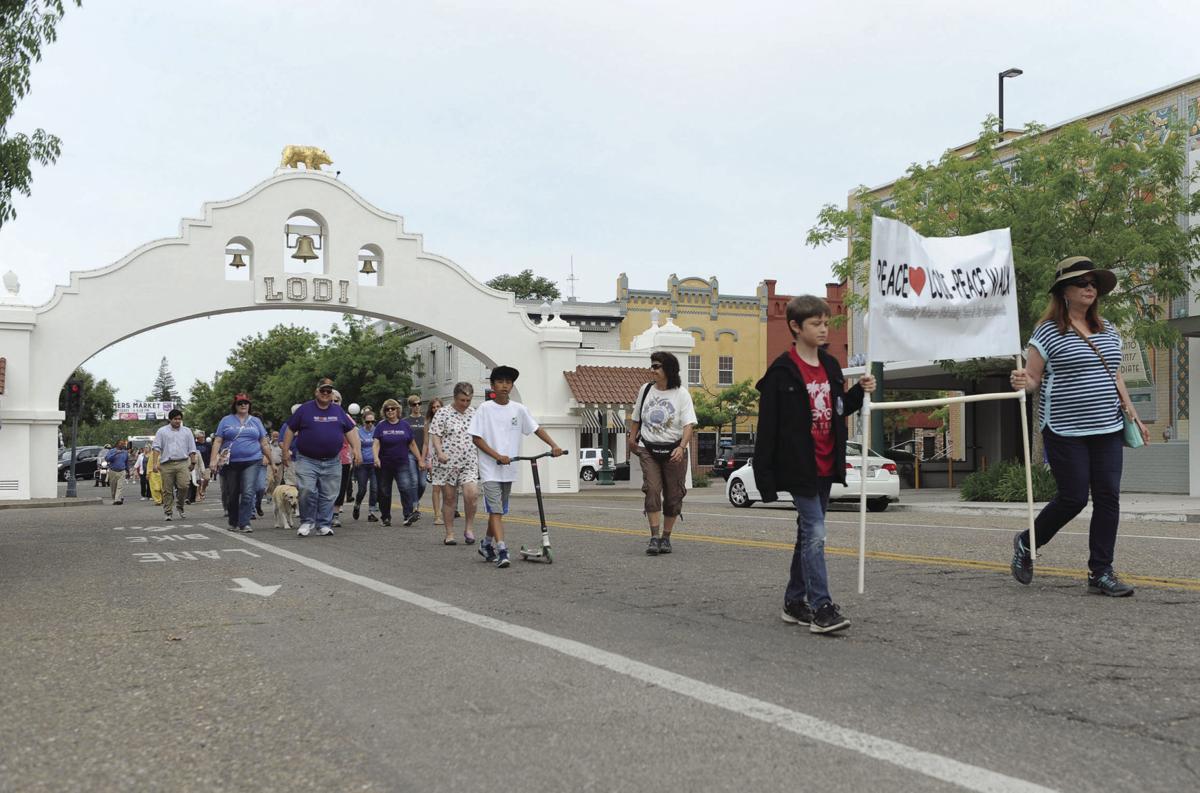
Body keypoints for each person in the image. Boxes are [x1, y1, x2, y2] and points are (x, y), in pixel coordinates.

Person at [1009, 257, 1148, 597]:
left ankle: (1101, 572)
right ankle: (1027, 542)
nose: (1089, 288)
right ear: (1064, 291)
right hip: (1064, 429)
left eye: (1093, 283)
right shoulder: (1047, 332)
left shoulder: (1108, 329)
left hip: (1107, 427)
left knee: (1108, 497)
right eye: (1081, 282)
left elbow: (1115, 375)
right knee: (1072, 498)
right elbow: (1033, 379)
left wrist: (1134, 415)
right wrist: (1022, 380)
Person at [753, 295, 875, 635]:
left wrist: (860, 392)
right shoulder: (781, 373)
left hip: (826, 463)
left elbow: (838, 409)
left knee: (808, 533)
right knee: (816, 534)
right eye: (816, 324)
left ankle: (794, 601)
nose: (824, 329)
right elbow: (768, 428)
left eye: (826, 323)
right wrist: (764, 476)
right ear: (795, 326)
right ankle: (822, 607)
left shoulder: (831, 366)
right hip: (799, 467)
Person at [470, 366, 564, 568]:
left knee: (498, 511)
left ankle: (486, 544)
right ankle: (502, 550)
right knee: (496, 510)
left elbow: (536, 428)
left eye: (508, 382)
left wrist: (554, 445)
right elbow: (476, 438)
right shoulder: (485, 409)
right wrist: (497, 456)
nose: (504, 386)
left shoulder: (519, 409)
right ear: (492, 385)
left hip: (509, 469)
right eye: (500, 382)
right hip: (490, 468)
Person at [628, 352, 697, 557]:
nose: (653, 370)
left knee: (673, 496)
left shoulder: (681, 394)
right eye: (652, 366)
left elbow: (688, 425)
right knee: (652, 489)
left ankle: (666, 537)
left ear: (668, 369)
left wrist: (681, 447)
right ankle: (654, 537)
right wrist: (632, 439)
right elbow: (636, 417)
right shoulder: (646, 389)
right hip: (648, 448)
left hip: (673, 450)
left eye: (657, 366)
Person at [283, 378, 361, 537]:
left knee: (329, 494)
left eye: (329, 391)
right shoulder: (304, 409)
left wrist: (356, 450)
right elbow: (290, 429)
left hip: (332, 460)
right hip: (307, 459)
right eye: (323, 390)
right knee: (306, 490)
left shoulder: (338, 411)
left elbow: (350, 430)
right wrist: (285, 450)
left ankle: (324, 524)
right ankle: (307, 521)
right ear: (316, 392)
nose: (326, 393)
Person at [209, 394, 272, 533]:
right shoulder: (226, 420)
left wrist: (272, 461)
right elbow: (218, 441)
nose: (243, 405)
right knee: (232, 493)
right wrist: (213, 460)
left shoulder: (255, 421)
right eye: (240, 403)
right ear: (235, 405)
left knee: (248, 492)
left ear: (249, 405)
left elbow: (264, 442)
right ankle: (233, 521)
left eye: (246, 403)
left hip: (252, 460)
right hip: (231, 462)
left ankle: (245, 523)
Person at [429, 384, 478, 545]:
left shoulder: (474, 413)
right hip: (447, 463)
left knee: (471, 495)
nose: (465, 404)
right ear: (455, 397)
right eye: (462, 400)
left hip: (468, 462)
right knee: (449, 498)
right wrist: (439, 452)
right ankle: (449, 533)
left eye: (468, 400)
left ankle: (469, 528)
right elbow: (435, 435)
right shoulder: (443, 413)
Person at [373, 398, 426, 528]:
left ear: (398, 410)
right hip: (385, 464)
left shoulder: (405, 425)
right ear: (384, 412)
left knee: (406, 488)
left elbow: (412, 444)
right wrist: (376, 458)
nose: (390, 411)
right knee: (384, 491)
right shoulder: (381, 426)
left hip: (402, 463)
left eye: (393, 408)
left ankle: (408, 515)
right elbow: (376, 444)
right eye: (387, 409)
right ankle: (385, 517)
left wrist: (420, 459)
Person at [152, 409, 198, 521]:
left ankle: (180, 506)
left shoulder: (187, 431)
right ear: (170, 419)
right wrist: (154, 464)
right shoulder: (162, 431)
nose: (177, 421)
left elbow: (192, 448)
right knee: (167, 490)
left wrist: (193, 462)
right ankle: (168, 512)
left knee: (184, 486)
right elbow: (156, 448)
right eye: (175, 419)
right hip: (166, 464)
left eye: (179, 419)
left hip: (183, 462)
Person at [404, 395, 428, 519]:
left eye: (419, 403)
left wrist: (423, 458)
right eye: (414, 404)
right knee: (414, 480)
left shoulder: (425, 420)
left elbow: (427, 441)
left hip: (423, 454)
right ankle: (415, 506)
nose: (417, 406)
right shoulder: (406, 421)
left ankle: (415, 500)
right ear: (410, 406)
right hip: (410, 454)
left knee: (422, 483)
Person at [352, 409, 380, 521]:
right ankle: (357, 504)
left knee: (374, 488)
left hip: (374, 464)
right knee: (362, 490)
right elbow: (355, 446)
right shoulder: (359, 432)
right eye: (368, 422)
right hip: (362, 465)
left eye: (372, 422)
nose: (370, 424)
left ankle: (371, 512)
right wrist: (356, 457)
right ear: (363, 421)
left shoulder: (377, 431)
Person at [424, 398, 446, 524]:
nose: (436, 409)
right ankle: (437, 515)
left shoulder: (448, 420)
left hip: (448, 457)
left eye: (438, 406)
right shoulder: (428, 423)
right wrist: (423, 459)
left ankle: (447, 511)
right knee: (436, 487)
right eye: (433, 407)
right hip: (433, 458)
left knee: (448, 489)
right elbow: (426, 443)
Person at [104, 440, 131, 505]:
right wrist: (115, 453)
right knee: (113, 488)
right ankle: (116, 498)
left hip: (122, 471)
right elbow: (107, 459)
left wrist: (128, 471)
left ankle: (117, 500)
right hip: (113, 471)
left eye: (123, 444)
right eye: (121, 443)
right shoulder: (112, 451)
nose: (123, 445)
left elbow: (126, 462)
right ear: (117, 444)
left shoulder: (125, 452)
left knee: (120, 487)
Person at [188, 431, 210, 504]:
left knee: (207, 478)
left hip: (206, 464)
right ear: (197, 438)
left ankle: (202, 490)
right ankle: (197, 495)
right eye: (200, 437)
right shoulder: (194, 444)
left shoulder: (208, 445)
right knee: (197, 480)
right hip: (196, 464)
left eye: (203, 437)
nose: (202, 438)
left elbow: (211, 453)